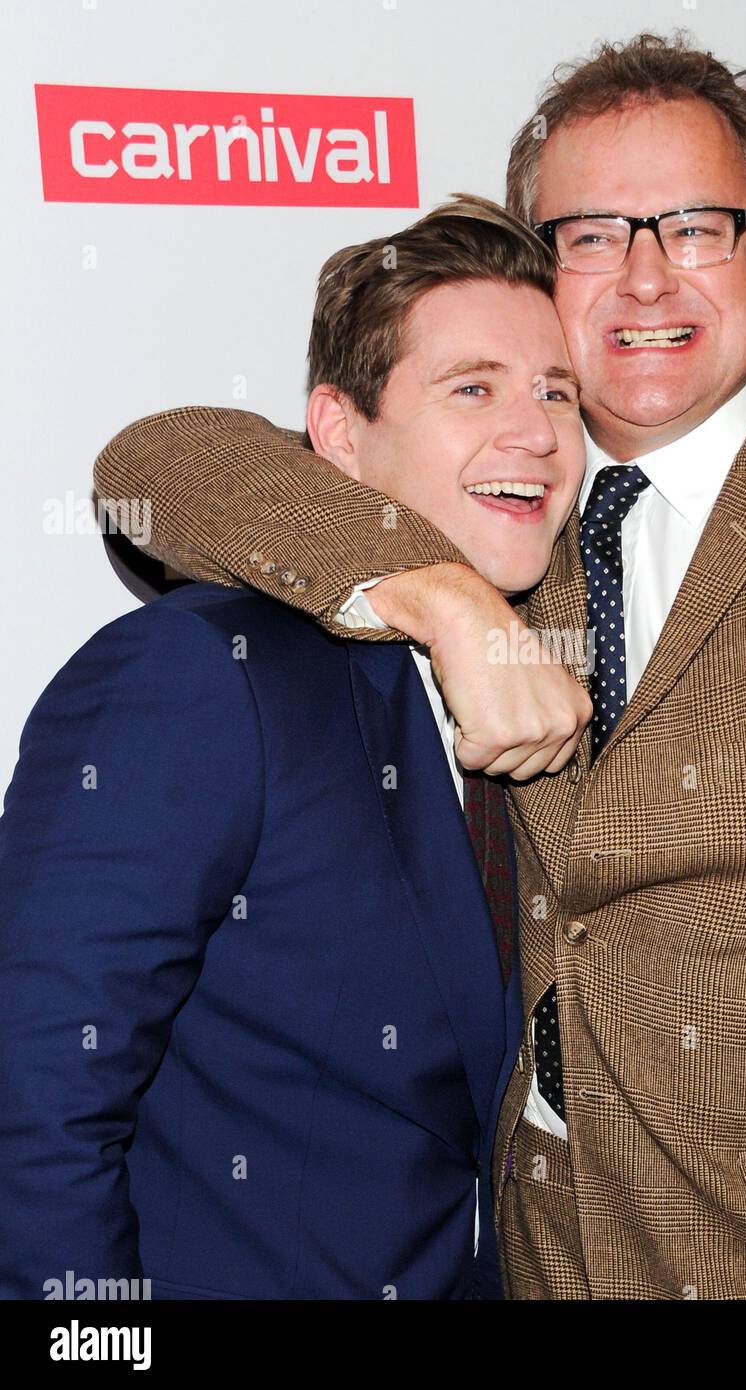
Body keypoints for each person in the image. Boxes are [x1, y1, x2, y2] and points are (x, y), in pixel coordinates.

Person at [96, 31, 746, 1300]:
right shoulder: (488, 517)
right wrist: (453, 604)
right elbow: (155, 461)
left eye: (695, 229)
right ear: (536, 272)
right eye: (594, 235)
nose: (646, 279)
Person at [0, 195, 587, 1300]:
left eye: (556, 390)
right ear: (336, 432)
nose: (536, 431)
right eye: (472, 388)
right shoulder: (199, 675)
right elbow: (36, 1092)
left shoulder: (559, 665)